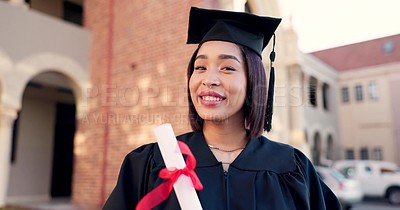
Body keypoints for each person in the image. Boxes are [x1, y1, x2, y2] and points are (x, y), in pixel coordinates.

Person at [103, 7, 341, 210]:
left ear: (253, 83)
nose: (209, 79)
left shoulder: (291, 167)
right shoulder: (152, 162)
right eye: (200, 67)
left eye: (227, 68)